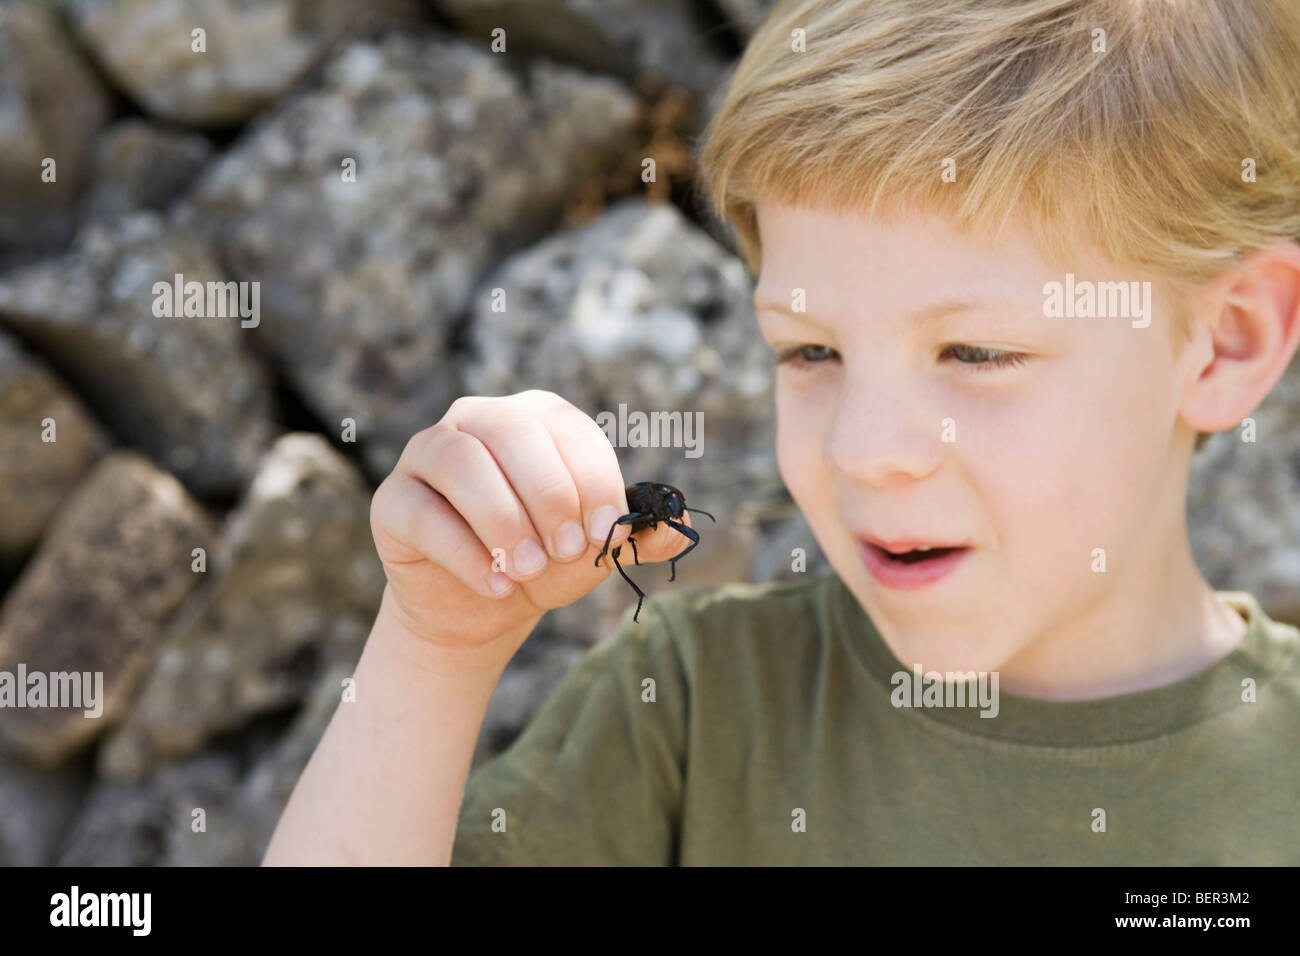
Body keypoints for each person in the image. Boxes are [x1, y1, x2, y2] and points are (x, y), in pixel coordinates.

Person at [263, 0, 1300, 865]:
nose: (861, 448)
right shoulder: (692, 709)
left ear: (1225, 341)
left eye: (976, 353)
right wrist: (438, 645)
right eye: (809, 352)